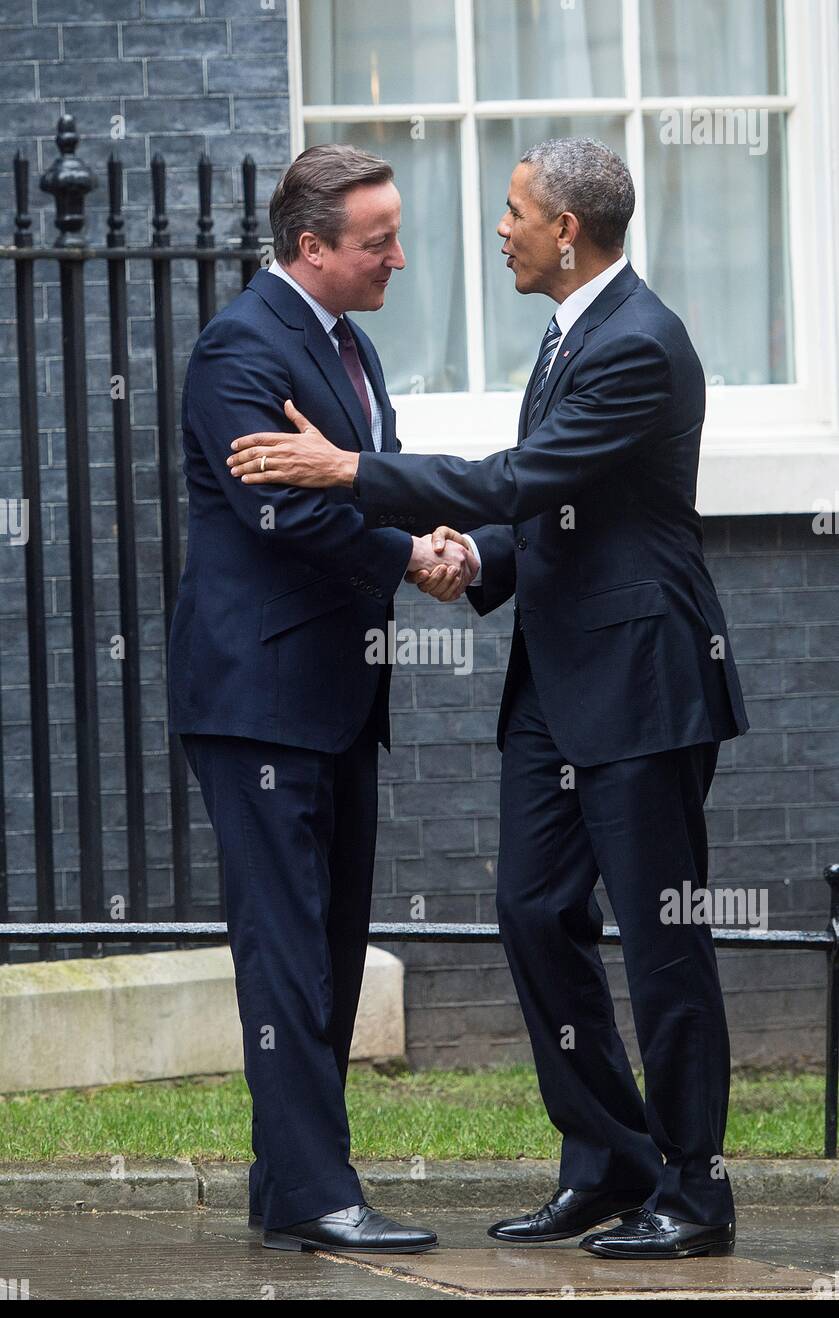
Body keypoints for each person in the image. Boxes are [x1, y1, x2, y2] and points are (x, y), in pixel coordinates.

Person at [225, 137, 750, 1260]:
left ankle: (694, 1194)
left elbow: (524, 478)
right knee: (530, 913)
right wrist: (466, 560)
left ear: (567, 231)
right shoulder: (572, 334)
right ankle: (609, 1158)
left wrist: (348, 475)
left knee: (662, 943)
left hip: (642, 679)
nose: (496, 231)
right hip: (555, 689)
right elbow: (551, 507)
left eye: (512, 213)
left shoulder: (638, 344)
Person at [168, 143, 476, 1255]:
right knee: (287, 949)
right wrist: (410, 553)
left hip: (335, 696)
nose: (398, 255)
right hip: (260, 700)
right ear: (310, 247)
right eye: (376, 240)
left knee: (331, 944)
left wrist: (413, 539)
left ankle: (284, 1183)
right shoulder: (241, 348)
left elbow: (358, 477)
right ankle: (313, 1192)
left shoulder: (345, 345)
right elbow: (280, 515)